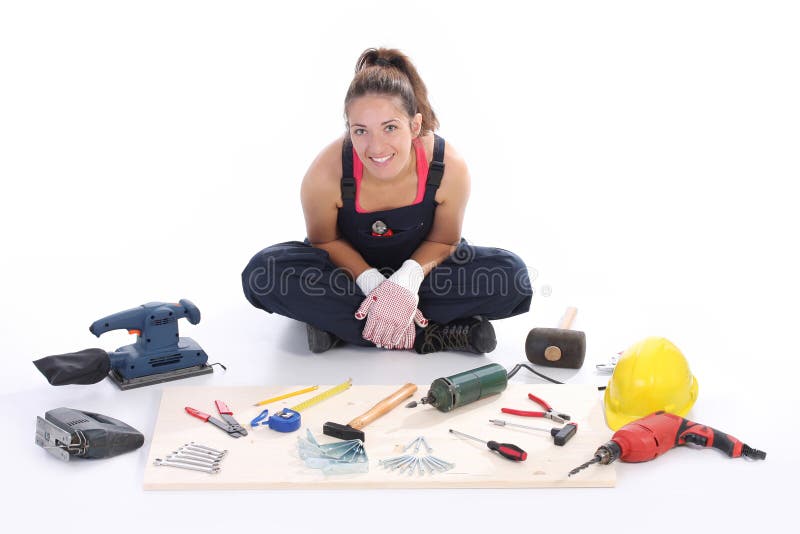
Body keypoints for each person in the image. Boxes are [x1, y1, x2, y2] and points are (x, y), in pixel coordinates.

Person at [242, 47, 532, 354]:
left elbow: (446, 241)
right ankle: (434, 334)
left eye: (390, 127)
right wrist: (374, 286)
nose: (375, 146)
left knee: (510, 277)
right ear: (349, 130)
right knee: (263, 274)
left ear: (415, 126)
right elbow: (324, 242)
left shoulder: (448, 167)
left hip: (425, 277)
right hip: (349, 276)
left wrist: (406, 281)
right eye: (361, 131)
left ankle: (340, 327)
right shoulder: (325, 173)